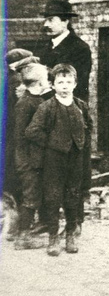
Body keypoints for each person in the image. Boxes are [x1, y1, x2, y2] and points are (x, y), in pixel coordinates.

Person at [24, 63, 93, 256]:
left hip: (76, 159)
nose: (65, 86)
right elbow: (31, 131)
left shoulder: (81, 106)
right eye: (60, 82)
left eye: (69, 82)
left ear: (75, 84)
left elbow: (88, 129)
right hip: (53, 160)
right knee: (53, 197)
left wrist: (82, 146)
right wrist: (53, 143)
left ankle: (70, 235)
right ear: (53, 85)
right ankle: (53, 238)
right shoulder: (47, 107)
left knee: (73, 196)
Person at [10, 63, 51, 249]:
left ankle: (36, 227)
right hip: (27, 159)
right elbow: (23, 135)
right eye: (46, 78)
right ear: (40, 82)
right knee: (31, 196)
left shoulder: (35, 100)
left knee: (36, 193)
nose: (48, 81)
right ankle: (22, 238)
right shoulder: (26, 104)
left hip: (35, 158)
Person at [39, 0, 92, 102]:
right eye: (45, 20)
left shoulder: (79, 48)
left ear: (65, 22)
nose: (46, 24)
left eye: (51, 20)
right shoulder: (46, 47)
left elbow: (76, 83)